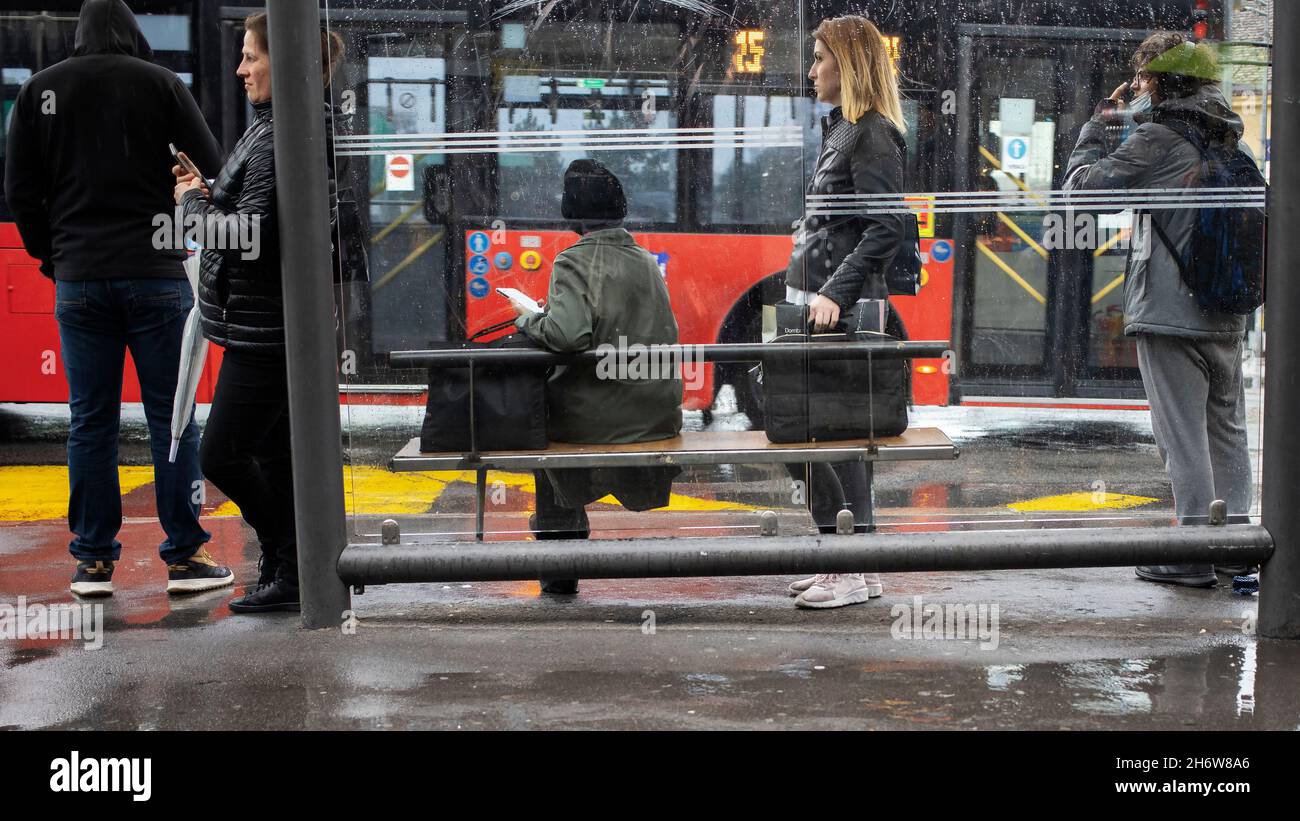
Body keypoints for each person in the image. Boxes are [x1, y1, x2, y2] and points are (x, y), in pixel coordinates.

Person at [4, 0, 231, 597]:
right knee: (171, 420)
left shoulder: (38, 91)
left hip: (79, 281)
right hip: (154, 274)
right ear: (133, 34)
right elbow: (212, 168)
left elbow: (20, 191)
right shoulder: (159, 84)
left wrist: (54, 258)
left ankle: (93, 563)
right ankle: (184, 557)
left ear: (77, 34)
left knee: (91, 421)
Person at [1064, 32, 1254, 588]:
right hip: (1227, 309)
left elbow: (1083, 193)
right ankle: (1238, 550)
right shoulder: (1226, 138)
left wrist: (1095, 131)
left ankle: (1191, 554)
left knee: (1182, 438)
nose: (1139, 88)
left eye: (1144, 78)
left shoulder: (1157, 138)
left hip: (1171, 312)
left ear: (1158, 82)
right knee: (1227, 431)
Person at [179, 12, 342, 613]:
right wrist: (210, 187)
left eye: (251, 57)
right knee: (274, 455)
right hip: (265, 322)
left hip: (268, 329)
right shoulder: (275, 127)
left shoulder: (279, 136)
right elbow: (251, 207)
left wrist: (192, 203)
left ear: (287, 63)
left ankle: (289, 556)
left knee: (220, 452)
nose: (239, 69)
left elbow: (249, 231)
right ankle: (289, 573)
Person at [507, 159, 683, 595]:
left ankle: (560, 561)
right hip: (657, 414)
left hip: (604, 417)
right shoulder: (645, 259)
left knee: (541, 437)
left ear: (572, 214)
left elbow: (567, 336)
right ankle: (560, 538)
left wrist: (527, 320)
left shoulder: (573, 260)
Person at [782, 16, 908, 609]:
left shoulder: (870, 134)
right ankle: (854, 562)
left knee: (824, 433)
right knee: (829, 433)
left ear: (849, 66)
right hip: (826, 299)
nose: (812, 71)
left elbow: (887, 226)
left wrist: (834, 290)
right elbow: (851, 221)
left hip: (841, 307)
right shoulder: (847, 131)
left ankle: (848, 565)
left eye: (820, 58)